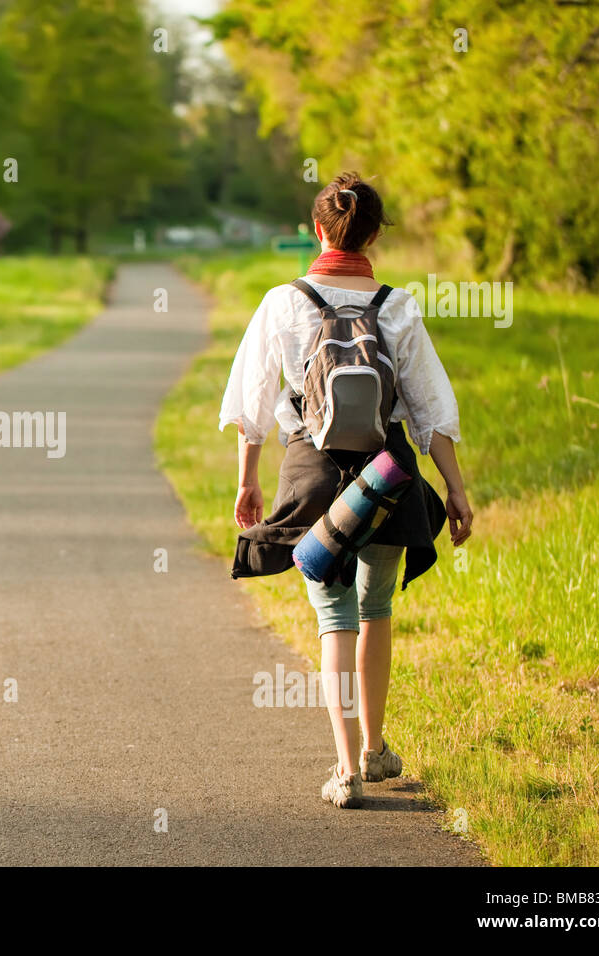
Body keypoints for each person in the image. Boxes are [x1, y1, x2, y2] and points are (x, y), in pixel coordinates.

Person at [219, 173, 474, 809]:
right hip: (388, 475)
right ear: (376, 236)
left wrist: (248, 480)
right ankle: (376, 747)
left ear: (316, 230)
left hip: (311, 473)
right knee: (376, 609)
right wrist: (457, 489)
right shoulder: (399, 306)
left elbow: (252, 403)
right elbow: (431, 411)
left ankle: (345, 769)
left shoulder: (284, 301)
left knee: (336, 619)